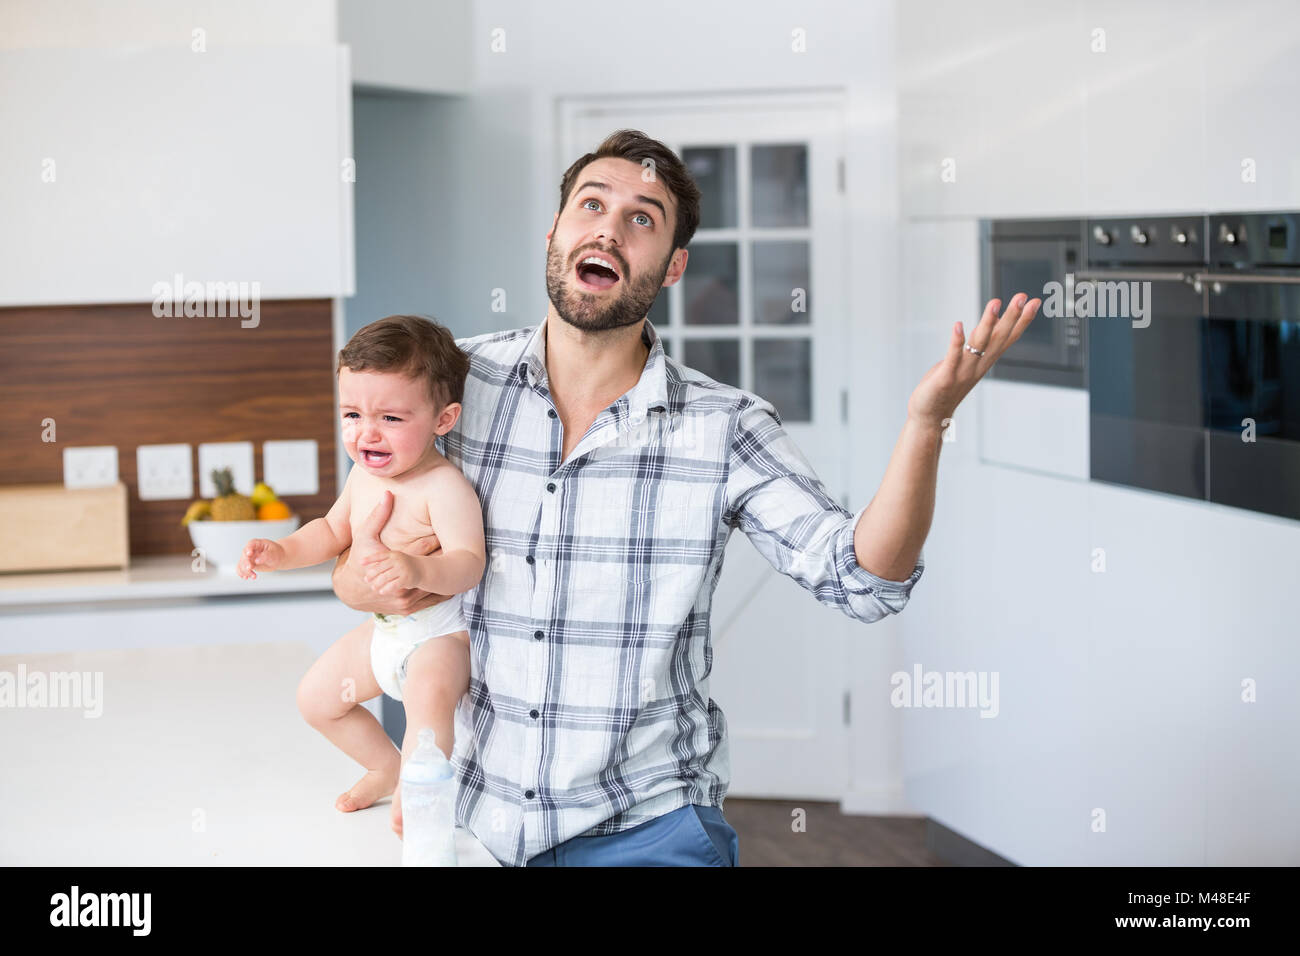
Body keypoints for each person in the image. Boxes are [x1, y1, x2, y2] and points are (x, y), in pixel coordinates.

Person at [330, 129, 1041, 866]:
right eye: (591, 204)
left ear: (672, 267)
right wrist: (380, 578)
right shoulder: (451, 387)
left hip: (649, 829)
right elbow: (350, 563)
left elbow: (863, 580)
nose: (609, 226)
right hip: (471, 824)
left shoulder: (723, 427)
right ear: (555, 233)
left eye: (642, 218)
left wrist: (927, 425)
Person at [236, 314, 486, 837]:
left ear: (444, 419)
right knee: (317, 699)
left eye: (391, 419)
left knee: (427, 710)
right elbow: (330, 530)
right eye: (352, 413)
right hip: (385, 631)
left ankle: (422, 799)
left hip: (439, 635)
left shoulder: (443, 487)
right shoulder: (363, 475)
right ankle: (384, 767)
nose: (366, 432)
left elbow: (469, 562)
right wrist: (280, 551)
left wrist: (417, 567)